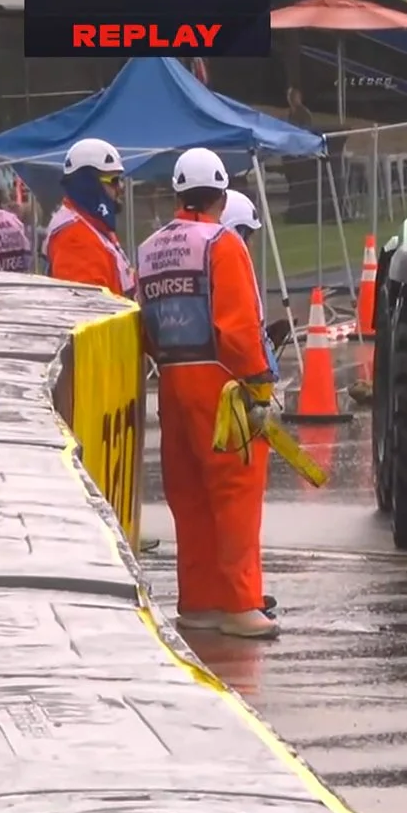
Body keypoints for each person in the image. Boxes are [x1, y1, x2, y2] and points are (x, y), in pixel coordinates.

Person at [134, 148, 279, 639]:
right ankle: (240, 604)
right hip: (223, 386)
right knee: (236, 495)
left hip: (172, 381)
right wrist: (260, 384)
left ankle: (197, 601)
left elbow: (144, 322)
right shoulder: (222, 243)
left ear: (178, 192)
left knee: (189, 495)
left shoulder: (150, 248)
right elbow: (237, 328)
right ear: (222, 195)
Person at [43, 137, 133, 296]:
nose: (121, 187)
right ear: (88, 184)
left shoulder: (95, 226)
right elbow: (90, 310)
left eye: (121, 180)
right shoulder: (74, 239)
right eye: (114, 180)